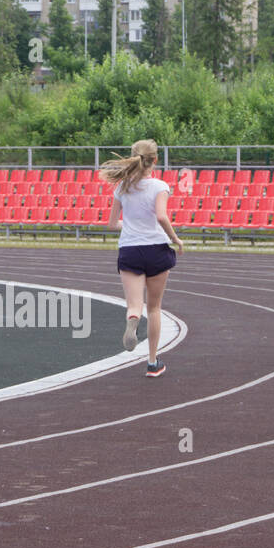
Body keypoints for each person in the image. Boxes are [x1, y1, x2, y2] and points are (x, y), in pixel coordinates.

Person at [101, 138, 183, 377]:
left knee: (135, 305)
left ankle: (132, 319)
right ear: (155, 160)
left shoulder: (122, 187)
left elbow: (111, 224)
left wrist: (130, 224)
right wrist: (176, 239)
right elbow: (160, 216)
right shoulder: (160, 186)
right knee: (155, 308)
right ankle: (152, 362)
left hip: (130, 249)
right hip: (156, 249)